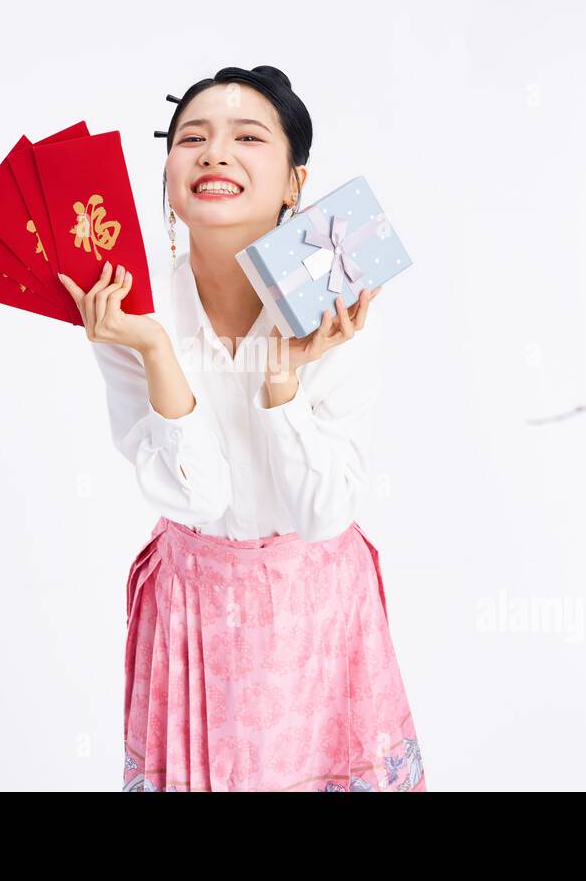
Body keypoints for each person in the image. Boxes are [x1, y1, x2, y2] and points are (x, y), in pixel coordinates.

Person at [58, 66, 425, 792]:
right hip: (191, 610)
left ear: (295, 181)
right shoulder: (127, 302)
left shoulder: (342, 300)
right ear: (167, 173)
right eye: (191, 136)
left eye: (246, 137)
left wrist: (280, 384)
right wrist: (155, 350)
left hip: (317, 611)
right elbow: (193, 498)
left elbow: (324, 514)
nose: (214, 153)